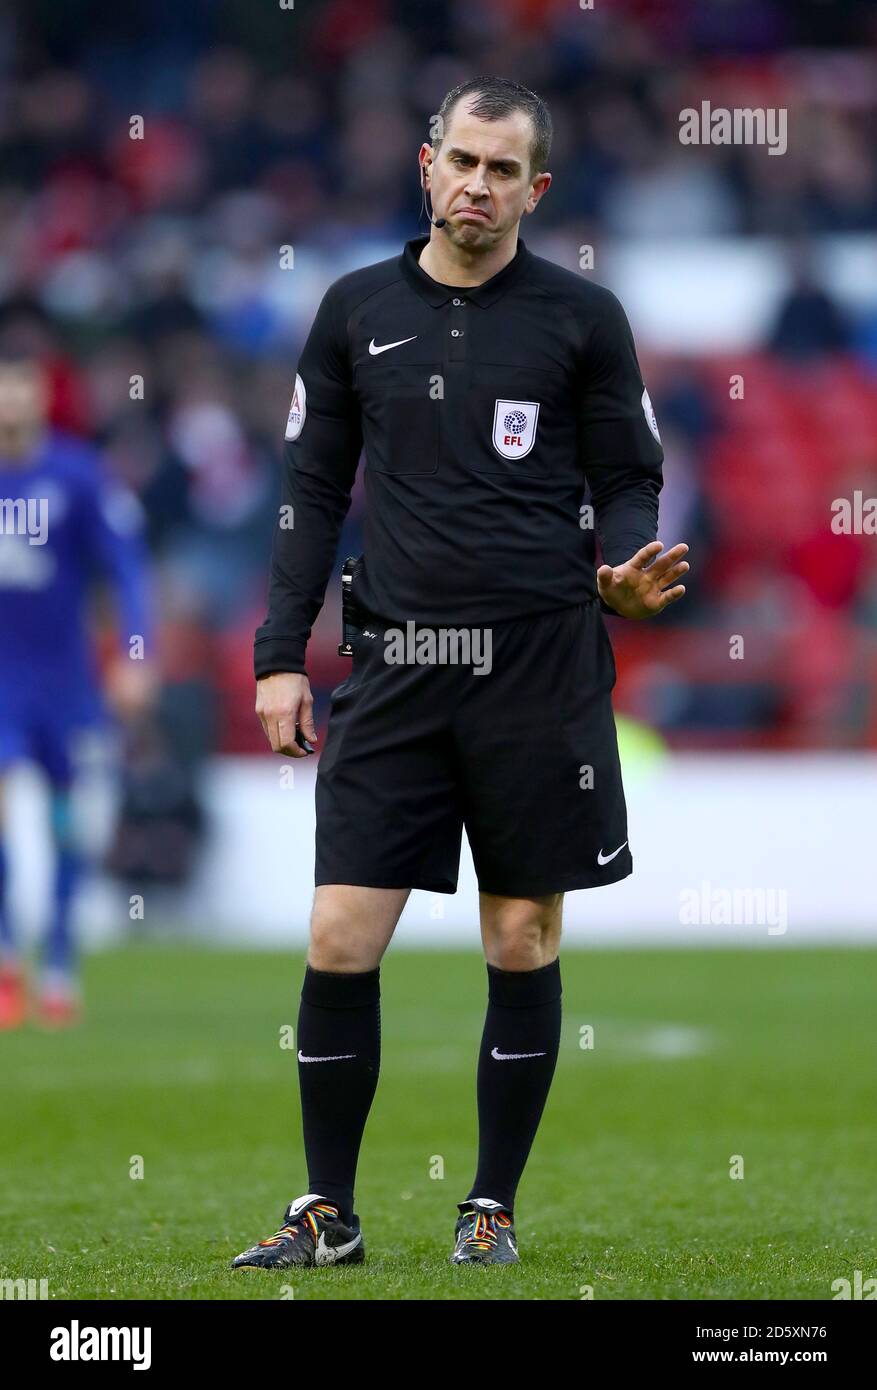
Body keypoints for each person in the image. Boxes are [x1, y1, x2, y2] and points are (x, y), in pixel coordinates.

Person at [234, 77, 689, 1270]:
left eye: (504, 171)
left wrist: (624, 559)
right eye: (462, 162)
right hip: (394, 663)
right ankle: (326, 1211)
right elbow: (310, 494)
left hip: (539, 663)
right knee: (339, 932)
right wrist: (282, 654)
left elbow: (626, 470)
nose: (478, 187)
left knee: (522, 937)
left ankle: (488, 1204)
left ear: (535, 189)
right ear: (424, 164)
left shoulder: (585, 318)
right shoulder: (351, 309)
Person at [0, 349, 155, 1027]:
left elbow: (125, 569)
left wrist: (134, 653)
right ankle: (7, 956)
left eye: (20, 389)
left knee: (71, 828)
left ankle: (59, 959)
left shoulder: (79, 474)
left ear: (40, 396)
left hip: (66, 688)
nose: (10, 403)